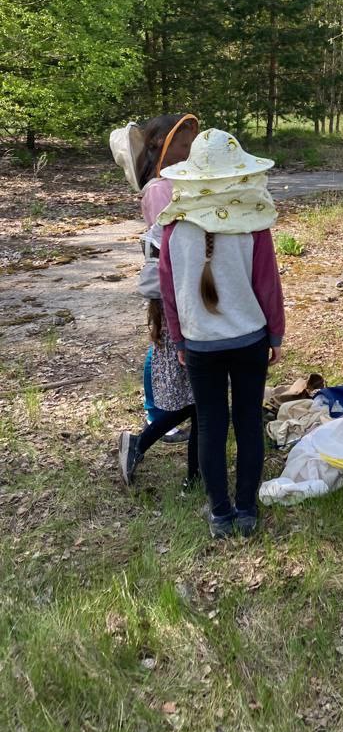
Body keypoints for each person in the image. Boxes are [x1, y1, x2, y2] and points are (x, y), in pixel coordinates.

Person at [157, 128, 285, 538]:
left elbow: (168, 291)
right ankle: (246, 509)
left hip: (199, 344)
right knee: (248, 422)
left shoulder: (174, 230)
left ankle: (220, 514)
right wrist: (276, 335)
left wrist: (178, 337)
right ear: (237, 174)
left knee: (210, 425)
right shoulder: (253, 226)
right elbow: (268, 286)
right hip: (250, 340)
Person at [113, 113, 201, 487]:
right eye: (184, 145)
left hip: (196, 293)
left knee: (203, 396)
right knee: (200, 397)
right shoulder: (159, 190)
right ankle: (143, 444)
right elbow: (169, 248)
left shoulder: (183, 182)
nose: (189, 151)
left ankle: (195, 472)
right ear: (163, 149)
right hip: (177, 299)